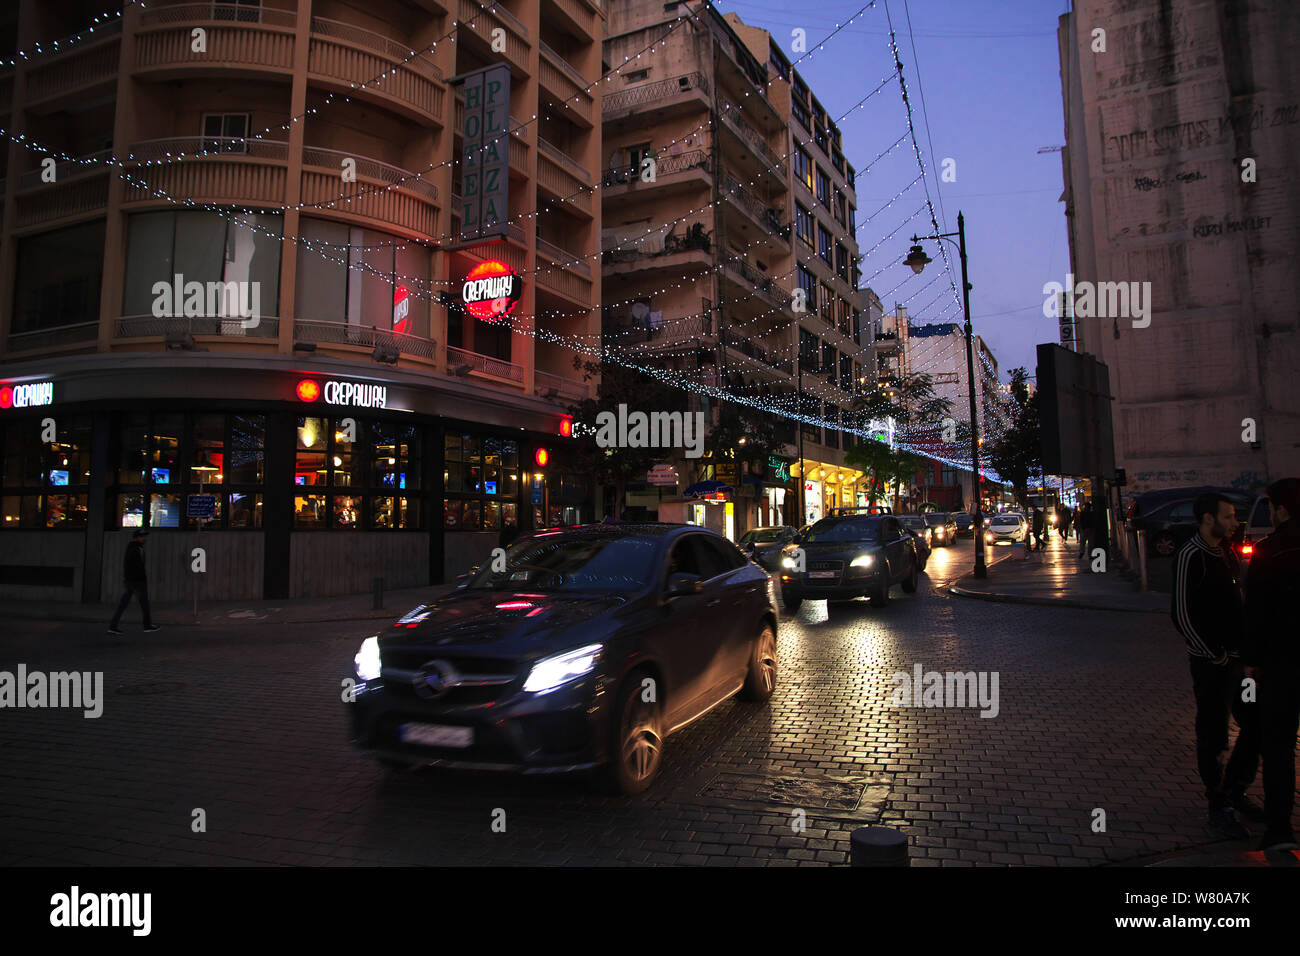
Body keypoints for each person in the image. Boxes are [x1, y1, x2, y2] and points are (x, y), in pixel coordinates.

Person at [1171, 492, 1262, 839]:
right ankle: (1218, 803)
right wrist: (1213, 654)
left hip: (1239, 662)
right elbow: (1181, 613)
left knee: (1255, 723)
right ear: (1208, 519)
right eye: (1228, 516)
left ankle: (1235, 788)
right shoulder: (1190, 555)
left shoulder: (1224, 551)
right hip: (1212, 664)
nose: (1234, 522)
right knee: (1214, 733)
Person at [1242, 477, 1300, 851]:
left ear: (1279, 510)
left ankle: (1279, 828)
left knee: (1278, 745)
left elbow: (1255, 615)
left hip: (1283, 663)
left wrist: (1253, 663)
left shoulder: (1270, 551)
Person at [108, 530, 160, 635]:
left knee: (123, 604)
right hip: (137, 581)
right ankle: (147, 625)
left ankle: (113, 626)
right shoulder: (137, 549)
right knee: (144, 603)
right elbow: (136, 566)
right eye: (142, 536)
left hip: (131, 580)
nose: (144, 538)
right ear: (137, 537)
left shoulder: (132, 548)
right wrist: (141, 577)